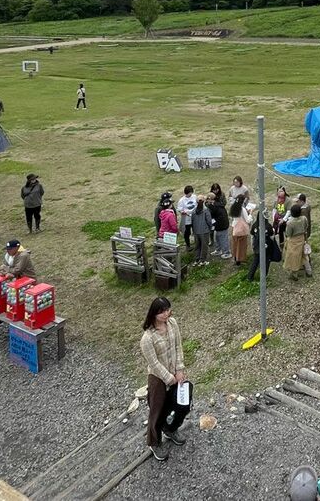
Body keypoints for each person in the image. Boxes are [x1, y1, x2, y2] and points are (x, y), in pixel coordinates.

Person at [139, 296, 189, 462]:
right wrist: (169, 378)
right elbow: (153, 363)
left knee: (181, 405)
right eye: (162, 312)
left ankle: (171, 429)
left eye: (168, 310)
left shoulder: (172, 323)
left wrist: (180, 369)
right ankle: (154, 442)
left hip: (176, 373)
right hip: (158, 378)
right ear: (154, 314)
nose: (166, 314)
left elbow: (178, 346)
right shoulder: (147, 338)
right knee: (157, 411)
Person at [246, 214, 282, 281]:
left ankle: (250, 276)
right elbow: (272, 236)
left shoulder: (255, 225)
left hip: (257, 246)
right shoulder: (268, 226)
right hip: (267, 247)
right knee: (266, 261)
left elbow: (252, 236)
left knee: (255, 261)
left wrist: (253, 246)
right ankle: (263, 277)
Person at [282, 204, 309, 280]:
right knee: (303, 254)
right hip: (302, 238)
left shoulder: (290, 222)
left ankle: (294, 274)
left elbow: (288, 234)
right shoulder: (304, 218)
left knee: (293, 257)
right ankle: (308, 271)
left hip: (293, 240)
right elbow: (306, 226)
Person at [190, 195, 213, 266]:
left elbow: (192, 221)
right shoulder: (205, 210)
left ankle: (197, 260)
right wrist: (210, 227)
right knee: (204, 246)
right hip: (204, 231)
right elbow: (209, 221)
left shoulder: (193, 211)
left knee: (197, 246)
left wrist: (194, 231)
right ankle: (203, 260)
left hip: (196, 231)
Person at [228, 197, 251, 265]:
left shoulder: (233, 207)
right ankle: (239, 260)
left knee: (235, 244)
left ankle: (235, 257)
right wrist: (250, 213)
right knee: (242, 246)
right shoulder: (242, 209)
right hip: (242, 229)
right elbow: (247, 220)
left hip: (235, 228)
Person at [208, 192, 230, 258]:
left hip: (222, 224)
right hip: (219, 224)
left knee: (223, 239)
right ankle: (218, 250)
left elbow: (213, 216)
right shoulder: (216, 204)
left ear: (211, 199)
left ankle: (227, 252)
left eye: (207, 199)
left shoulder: (214, 206)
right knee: (217, 237)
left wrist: (213, 224)